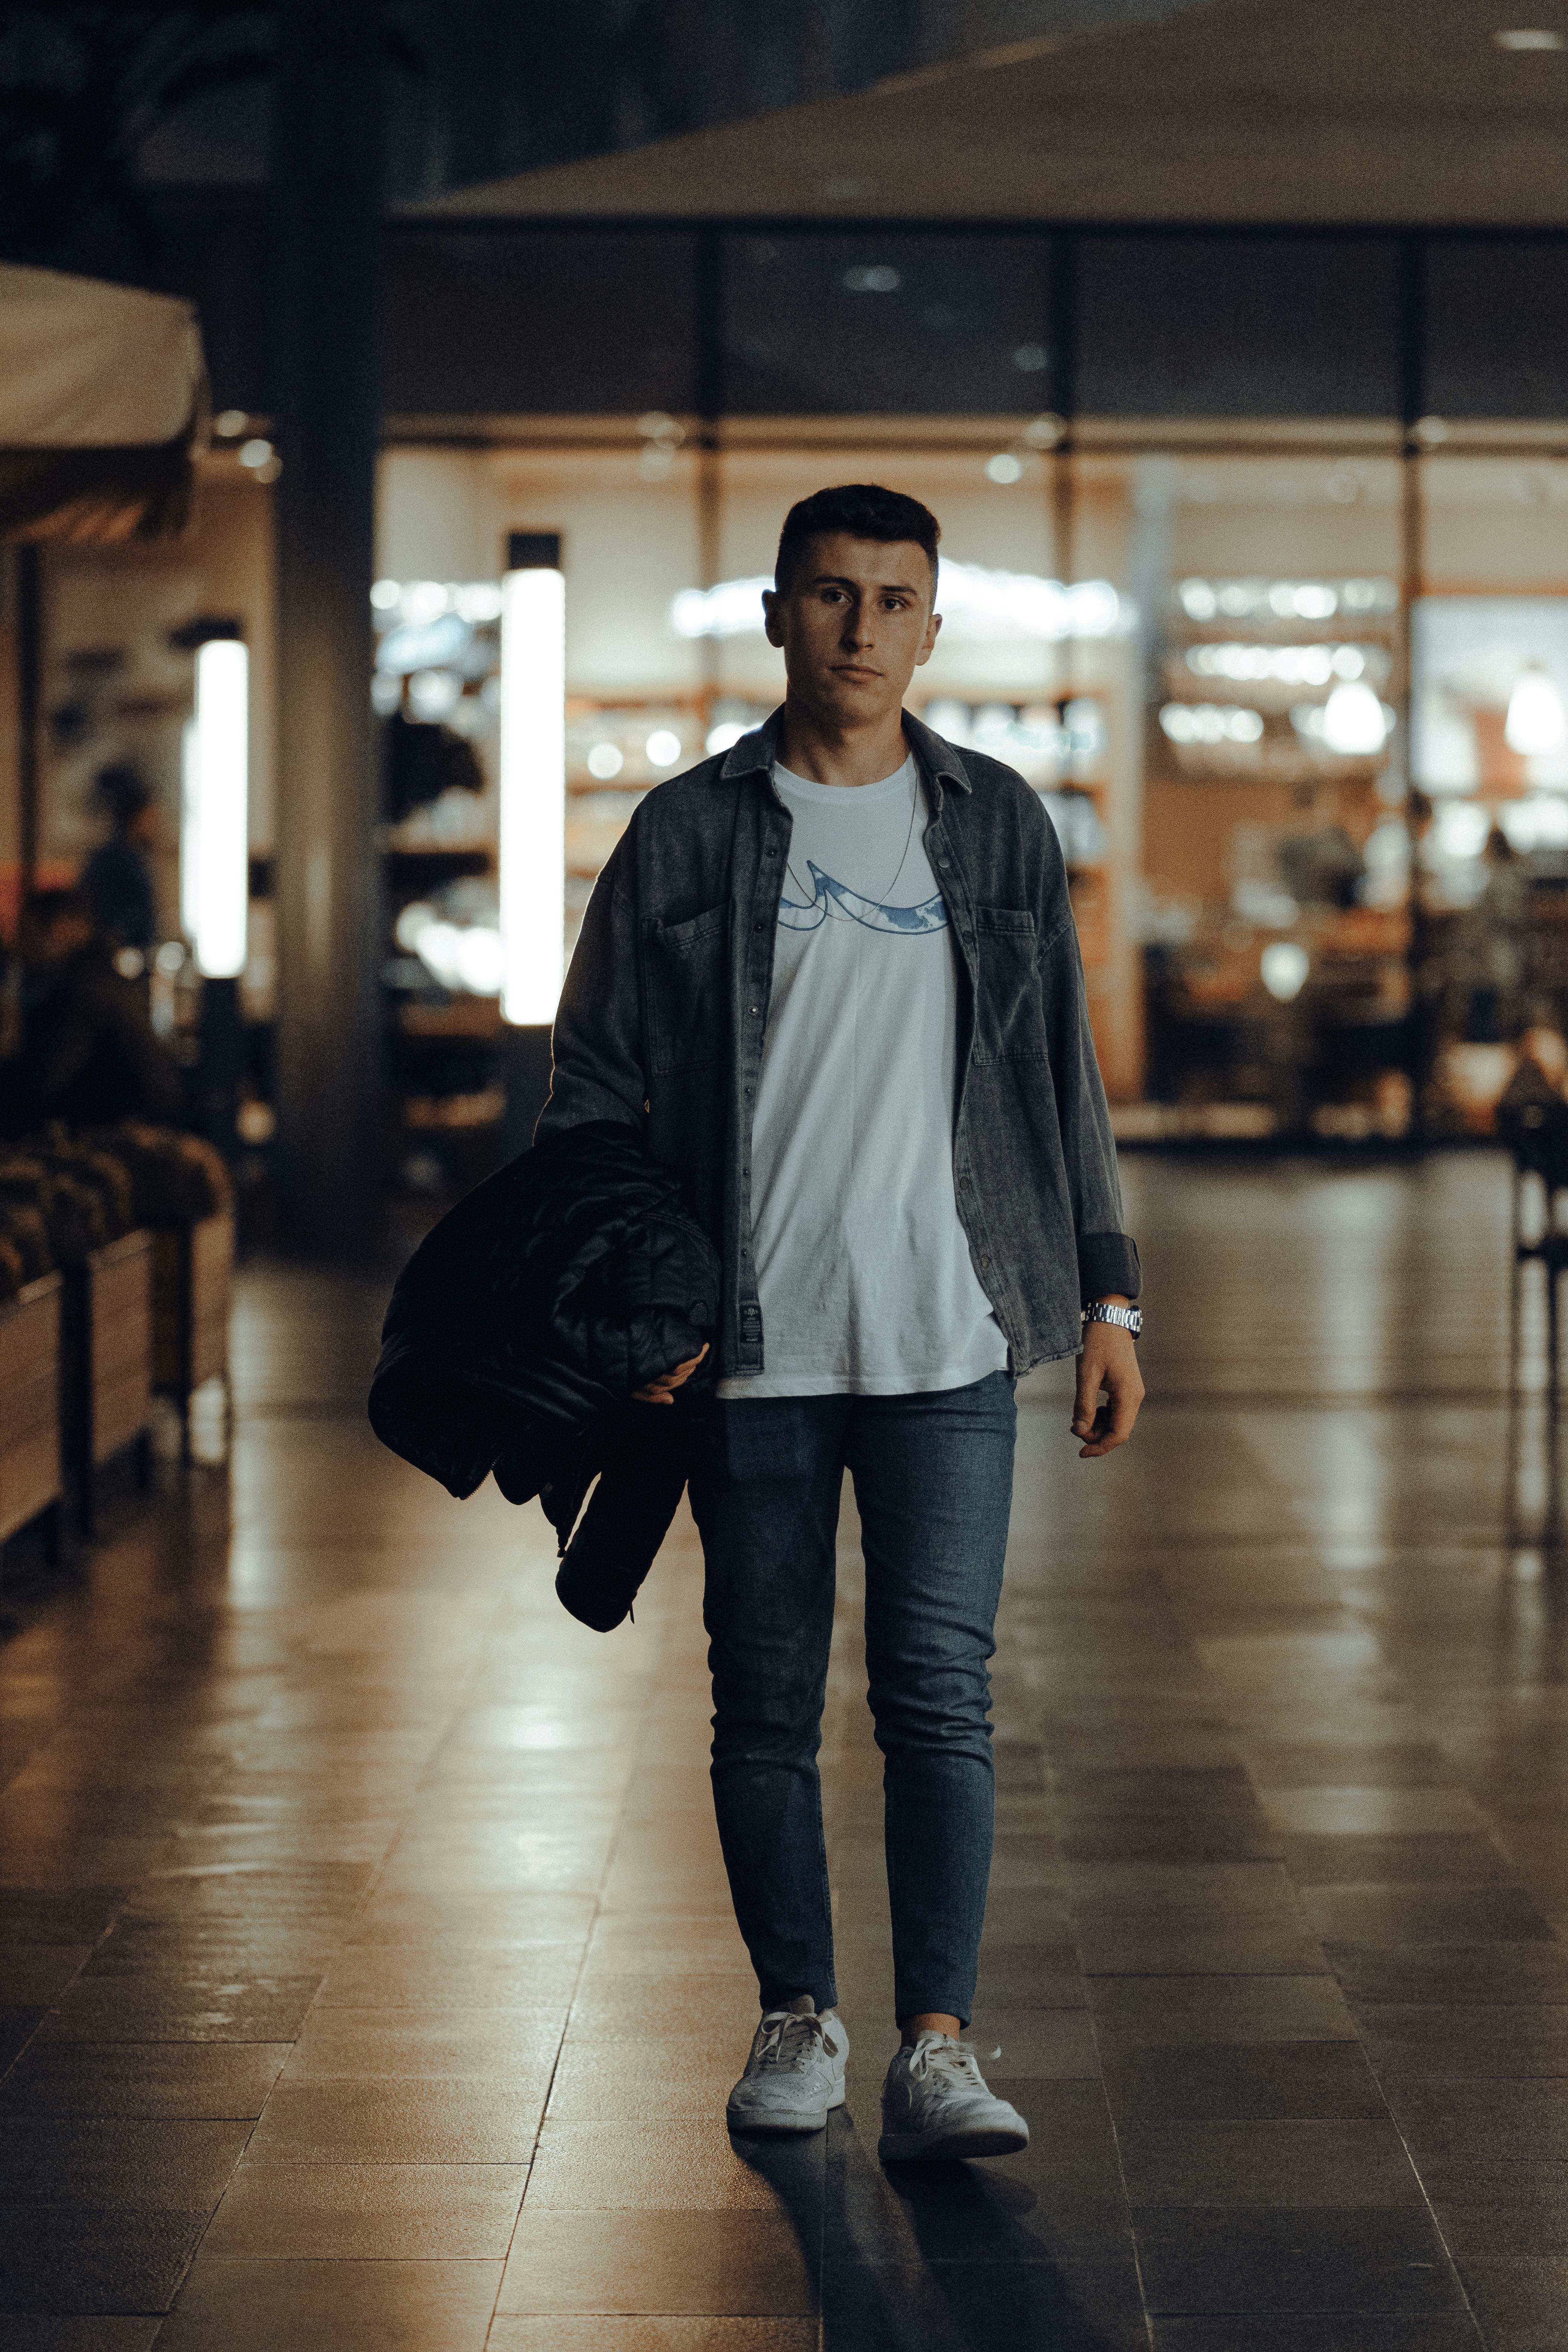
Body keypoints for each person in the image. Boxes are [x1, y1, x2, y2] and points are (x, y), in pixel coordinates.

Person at [539, 482, 1143, 2163]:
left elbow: (1061, 1081)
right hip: (748, 1344)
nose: (861, 628)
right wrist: (630, 1305)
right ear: (778, 617)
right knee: (764, 1701)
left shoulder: (1001, 823)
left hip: (954, 1333)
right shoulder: (685, 833)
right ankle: (796, 2014)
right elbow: (590, 1093)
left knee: (941, 1694)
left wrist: (1111, 1297)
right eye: (829, 595)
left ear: (933, 628)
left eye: (893, 600)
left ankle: (937, 2047)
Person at [1, 888, 181, 1133]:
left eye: (28, 933)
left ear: (64, 928)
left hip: (121, 1139)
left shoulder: (85, 992)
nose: (19, 947)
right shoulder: (102, 979)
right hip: (136, 1128)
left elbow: (45, 1082)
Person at [80, 763, 160, 961]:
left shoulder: (128, 859)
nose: (157, 823)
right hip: (117, 964)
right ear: (136, 817)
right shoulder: (116, 862)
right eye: (151, 815)